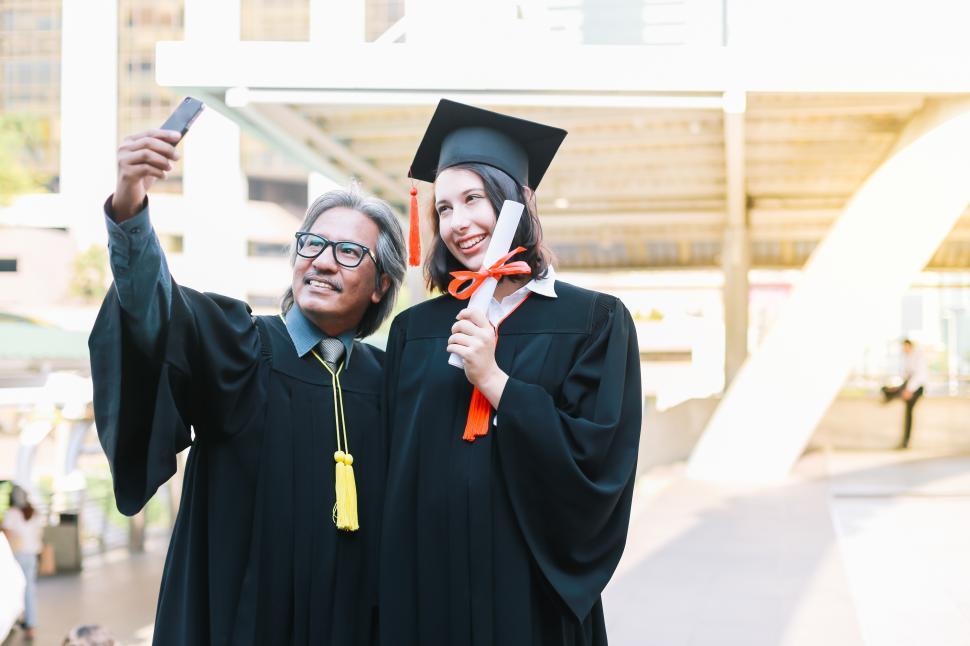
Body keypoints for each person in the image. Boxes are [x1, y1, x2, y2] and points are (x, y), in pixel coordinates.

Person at [89, 128, 407, 645]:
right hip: (239, 625)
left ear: (381, 286)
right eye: (313, 244)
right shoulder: (241, 345)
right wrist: (130, 207)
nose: (323, 262)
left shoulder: (390, 383)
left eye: (349, 252)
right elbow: (156, 308)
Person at [379, 100, 643, 645]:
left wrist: (495, 382)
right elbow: (393, 465)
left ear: (516, 203)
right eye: (444, 208)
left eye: (473, 199)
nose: (457, 222)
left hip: (532, 589)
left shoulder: (594, 321)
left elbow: (600, 459)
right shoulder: (414, 331)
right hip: (432, 591)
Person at [1, 485, 43, 641]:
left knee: (13, 588)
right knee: (29, 589)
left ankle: (16, 621)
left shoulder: (12, 513)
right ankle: (30, 624)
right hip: (32, 555)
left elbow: (5, 535)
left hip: (16, 556)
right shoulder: (35, 512)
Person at [881, 338, 927, 449]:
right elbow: (906, 377)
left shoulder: (918, 356)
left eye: (905, 347)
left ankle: (906, 442)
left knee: (908, 413)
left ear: (910, 346)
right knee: (885, 390)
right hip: (908, 386)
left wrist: (909, 390)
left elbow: (919, 376)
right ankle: (893, 394)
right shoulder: (907, 358)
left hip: (916, 388)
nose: (904, 349)